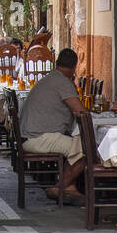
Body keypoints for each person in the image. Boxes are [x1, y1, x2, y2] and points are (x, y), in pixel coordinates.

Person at [18, 47, 86, 204]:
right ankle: (60, 187)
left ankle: (70, 186)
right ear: (74, 67)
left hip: (31, 135)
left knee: (78, 144)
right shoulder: (63, 82)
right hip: (38, 137)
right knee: (86, 148)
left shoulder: (51, 78)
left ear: (57, 63)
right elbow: (80, 112)